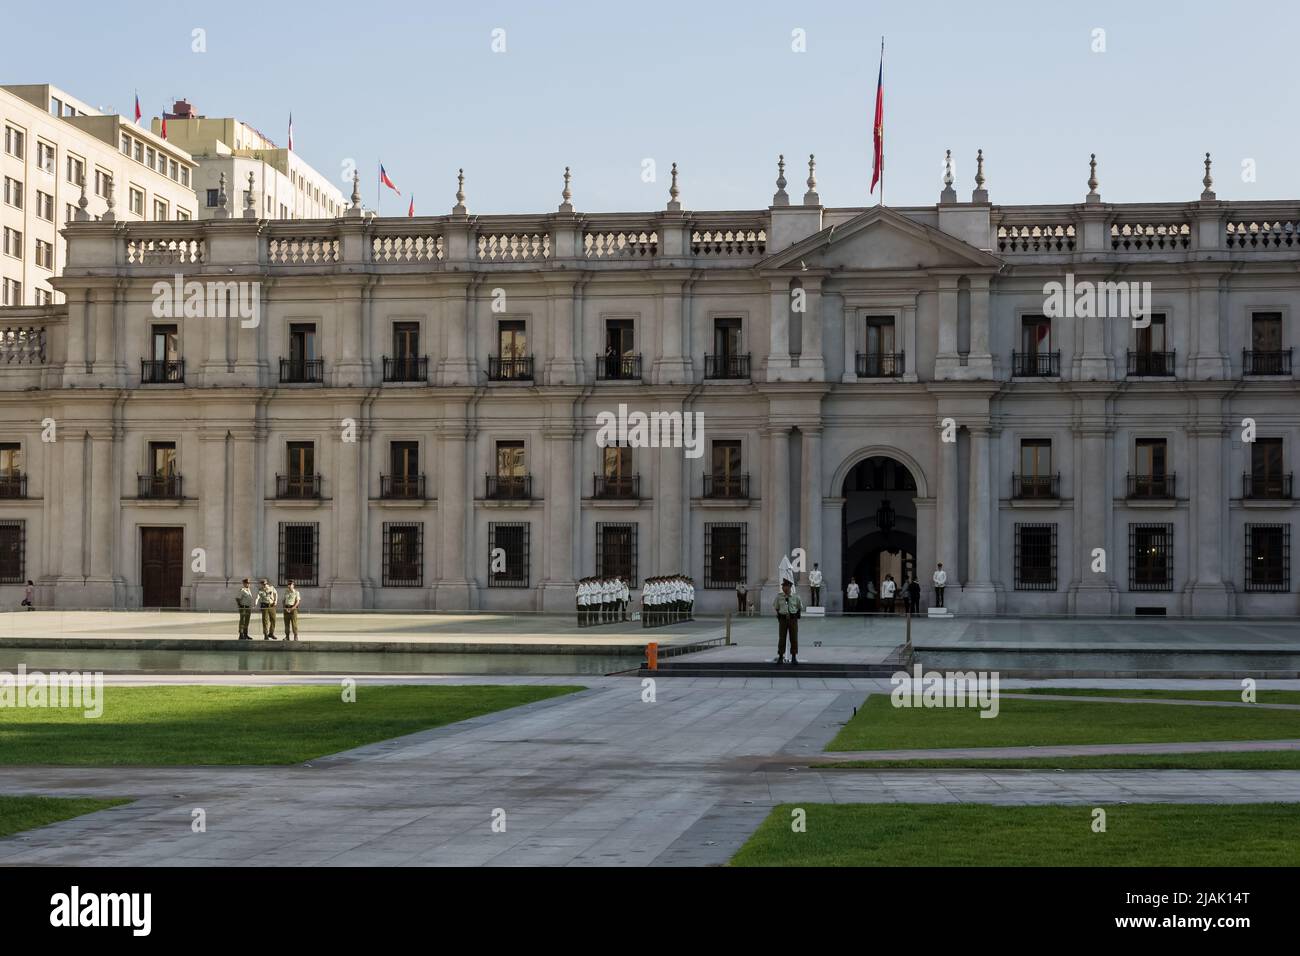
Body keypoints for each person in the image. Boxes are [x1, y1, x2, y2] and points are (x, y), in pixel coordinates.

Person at [772, 579, 805, 665]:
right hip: (783, 619)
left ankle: (794, 656)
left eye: (785, 586)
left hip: (793, 619)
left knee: (794, 638)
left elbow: (799, 607)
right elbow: (776, 607)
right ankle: (780, 656)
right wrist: (779, 615)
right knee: (782, 638)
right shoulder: (779, 597)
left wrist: (796, 615)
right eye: (783, 586)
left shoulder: (796, 597)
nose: (783, 588)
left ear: (790, 587)